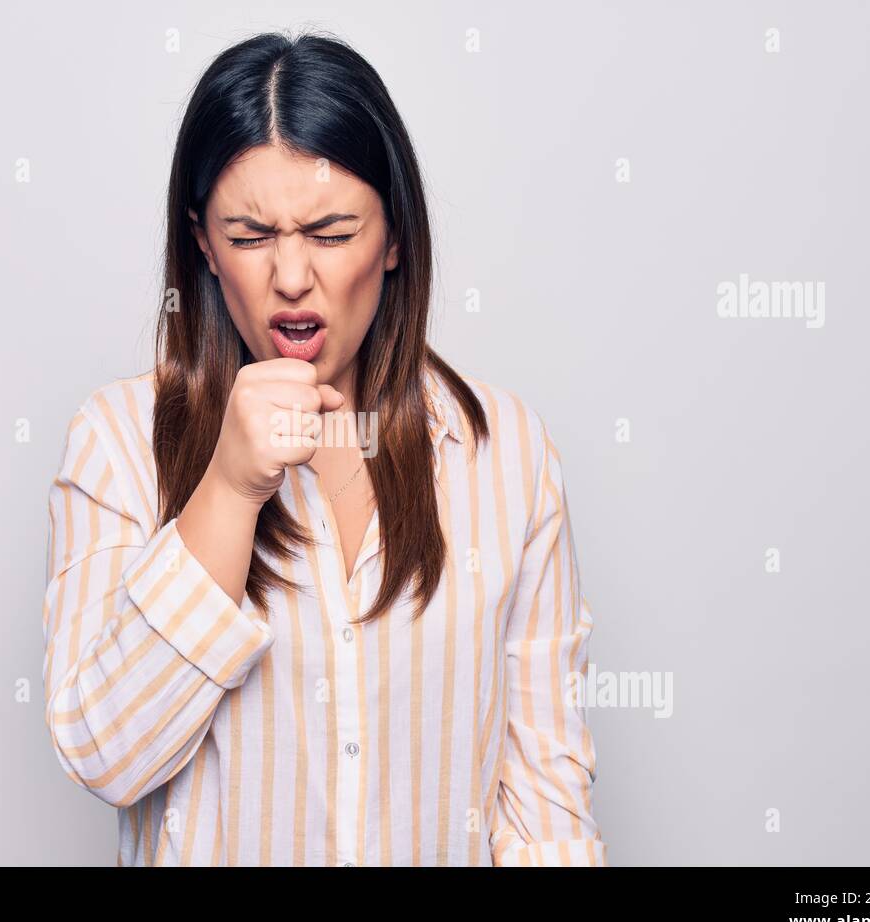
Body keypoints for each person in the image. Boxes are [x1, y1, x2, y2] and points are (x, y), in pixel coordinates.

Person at [42, 29, 605, 866]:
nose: (293, 276)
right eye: (251, 235)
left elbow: (545, 816)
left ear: (396, 241)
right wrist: (230, 488)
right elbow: (105, 753)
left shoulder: (507, 452)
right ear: (202, 241)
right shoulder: (119, 441)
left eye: (333, 234)